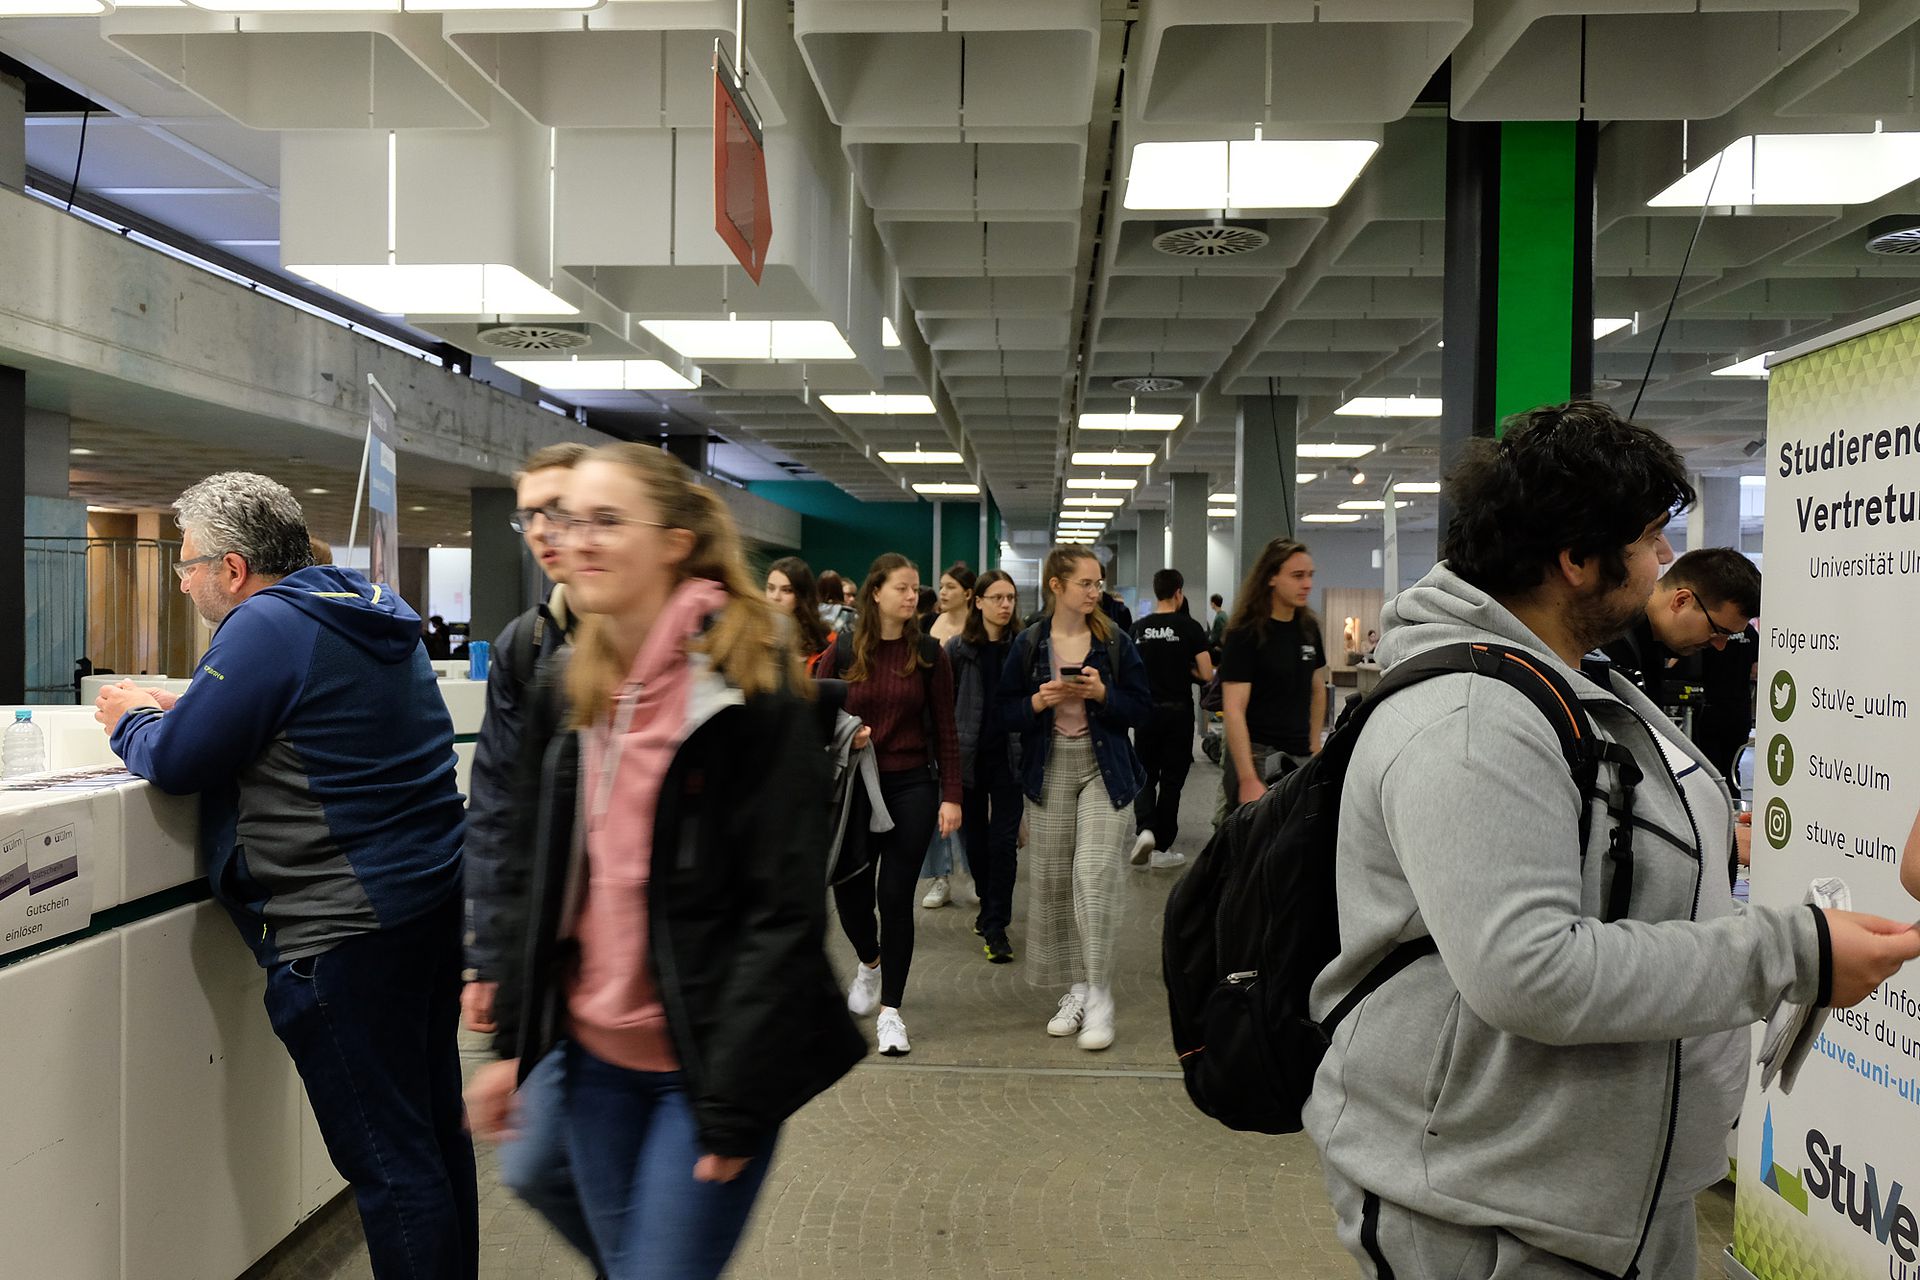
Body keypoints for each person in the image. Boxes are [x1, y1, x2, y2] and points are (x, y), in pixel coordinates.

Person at [1304, 402, 1920, 1279]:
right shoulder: (1474, 718)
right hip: (1486, 1210)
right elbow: (1529, 973)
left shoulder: (1572, 679)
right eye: (1650, 538)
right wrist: (1793, 953)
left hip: (1597, 1188)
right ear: (1577, 561)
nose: (1665, 558)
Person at [463, 443, 864, 1280]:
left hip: (704, 1065)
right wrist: (515, 1045)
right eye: (572, 522)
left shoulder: (752, 697)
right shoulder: (566, 683)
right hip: (596, 1060)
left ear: (676, 540)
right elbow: (537, 875)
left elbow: (781, 914)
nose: (579, 540)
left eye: (609, 521)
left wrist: (731, 1105)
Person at [95, 472, 476, 1280]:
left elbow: (178, 761)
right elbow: (307, 718)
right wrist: (191, 701)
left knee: (390, 1166)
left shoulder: (264, 623)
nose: (186, 579)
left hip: (339, 926)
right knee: (435, 1134)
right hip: (426, 903)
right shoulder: (355, 606)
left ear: (232, 570)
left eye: (189, 565)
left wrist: (129, 715)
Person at [460, 441, 597, 1269]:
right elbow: (500, 810)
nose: (542, 530)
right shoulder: (526, 643)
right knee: (541, 1163)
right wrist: (487, 958)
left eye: (560, 509)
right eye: (529, 514)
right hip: (560, 944)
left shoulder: (679, 631)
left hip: (659, 960)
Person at [998, 545, 1151, 1051]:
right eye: (1085, 582)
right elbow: (1006, 712)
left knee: (1093, 873)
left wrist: (1103, 696)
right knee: (1057, 884)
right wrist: (1039, 701)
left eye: (1098, 582)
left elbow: (1141, 708)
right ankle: (1078, 989)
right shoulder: (1028, 644)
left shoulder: (1115, 642)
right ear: (1056, 586)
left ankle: (1102, 995)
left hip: (1106, 768)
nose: (1095, 591)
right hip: (1049, 768)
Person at [815, 553, 963, 1057]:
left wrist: (952, 797)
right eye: (901, 587)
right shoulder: (843, 650)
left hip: (911, 786)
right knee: (851, 895)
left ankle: (891, 1013)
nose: (910, 596)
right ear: (876, 592)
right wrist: (847, 735)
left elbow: (946, 728)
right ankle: (869, 962)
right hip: (855, 786)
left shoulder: (929, 653)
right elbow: (820, 711)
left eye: (915, 588)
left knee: (896, 897)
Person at [1216, 538, 1326, 824]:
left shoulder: (1309, 629)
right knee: (1249, 849)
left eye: (1310, 576)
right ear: (1272, 578)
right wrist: (1247, 776)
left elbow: (1318, 690)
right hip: (1258, 754)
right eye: (1297, 576)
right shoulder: (1246, 633)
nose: (1307, 584)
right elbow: (1234, 709)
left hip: (1300, 755)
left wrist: (1315, 743)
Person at [948, 570, 1022, 962]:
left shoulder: (1023, 648)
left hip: (1010, 759)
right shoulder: (958, 650)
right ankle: (988, 901)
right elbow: (945, 710)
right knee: (975, 842)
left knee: (1003, 843)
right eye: (996, 597)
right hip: (969, 758)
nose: (1005, 605)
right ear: (977, 602)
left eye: (1010, 597)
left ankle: (996, 924)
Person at [1600, 546, 1760, 709]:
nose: (1720, 646)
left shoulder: (1647, 645)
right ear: (1681, 601)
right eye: (1716, 630)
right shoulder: (1605, 644)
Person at [1129, 568, 1214, 870]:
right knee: (1172, 781)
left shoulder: (1138, 629)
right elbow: (1206, 674)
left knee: (1144, 775)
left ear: (1156, 592)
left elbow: (1130, 672)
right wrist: (1183, 669)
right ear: (1179, 592)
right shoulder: (1189, 627)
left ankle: (1146, 831)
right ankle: (1162, 848)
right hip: (1177, 712)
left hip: (1146, 712)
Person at [919, 563, 979, 907]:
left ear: (968, 594)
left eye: (951, 587)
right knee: (932, 803)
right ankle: (939, 878)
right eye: (941, 586)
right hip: (929, 724)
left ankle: (972, 872)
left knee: (964, 802)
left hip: (963, 723)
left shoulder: (975, 629)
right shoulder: (928, 624)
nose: (943, 592)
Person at [765, 555, 832, 667]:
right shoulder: (753, 635)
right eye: (771, 588)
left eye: (787, 590)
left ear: (802, 596)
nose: (775, 597)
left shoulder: (825, 644)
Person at [816, 569, 856, 635]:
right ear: (839, 590)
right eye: (848, 595)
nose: (852, 599)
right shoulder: (850, 614)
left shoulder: (810, 614)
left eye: (853, 595)